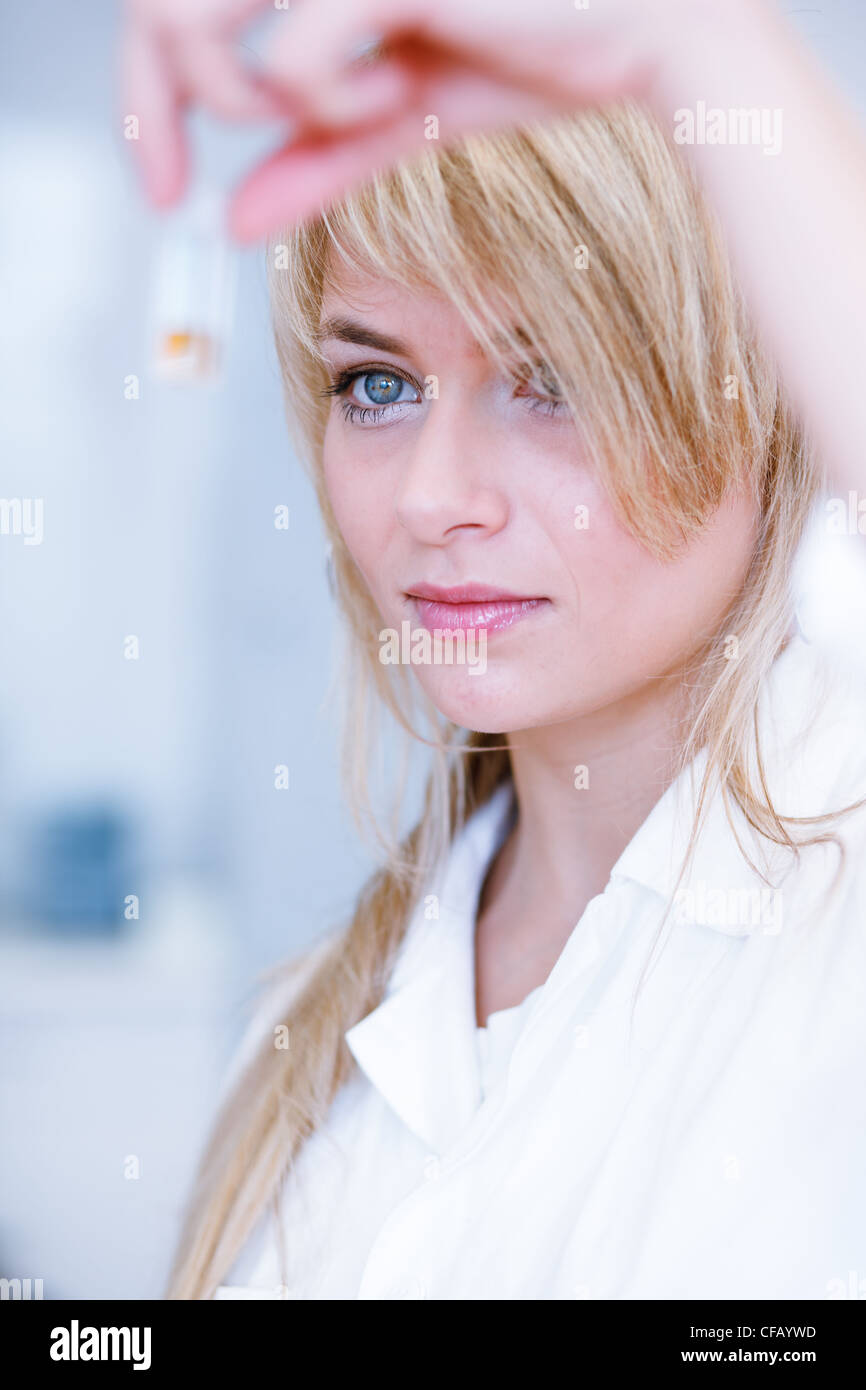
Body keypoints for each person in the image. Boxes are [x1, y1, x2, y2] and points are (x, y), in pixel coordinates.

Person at [120, 1, 866, 1299]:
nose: (430, 496)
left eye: (553, 377)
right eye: (378, 385)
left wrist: (700, 44)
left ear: (767, 396)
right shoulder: (299, 1045)